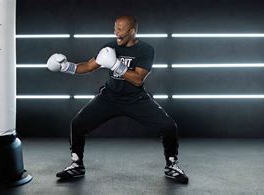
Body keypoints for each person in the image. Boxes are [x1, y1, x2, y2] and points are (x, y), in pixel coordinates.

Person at [46, 15, 188, 184]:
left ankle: (171, 165)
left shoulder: (146, 50)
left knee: (169, 126)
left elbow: (137, 79)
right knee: (77, 124)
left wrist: (115, 65)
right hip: (109, 97)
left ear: (132, 31)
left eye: (120, 29)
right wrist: (65, 67)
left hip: (136, 98)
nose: (116, 33)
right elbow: (89, 66)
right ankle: (77, 164)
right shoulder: (109, 46)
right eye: (115, 29)